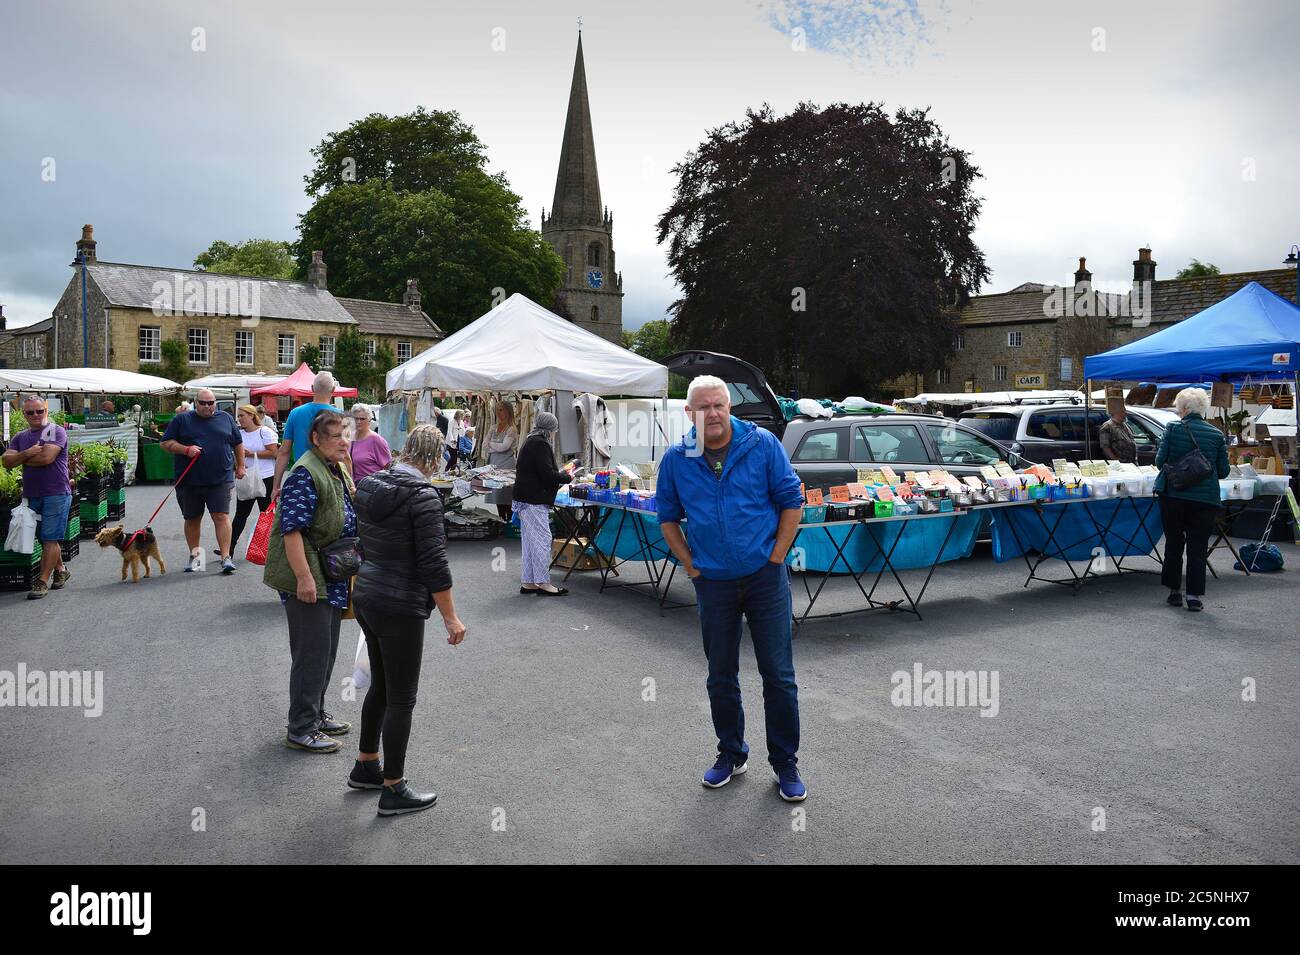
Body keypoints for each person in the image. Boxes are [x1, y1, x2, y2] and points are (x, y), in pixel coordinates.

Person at [657, 375, 807, 802]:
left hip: (765, 579)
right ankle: (731, 754)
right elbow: (667, 517)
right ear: (690, 413)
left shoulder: (761, 445)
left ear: (730, 406)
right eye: (704, 407)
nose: (714, 413)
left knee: (778, 675)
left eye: (720, 404)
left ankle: (785, 763)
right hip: (714, 584)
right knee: (720, 675)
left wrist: (776, 557)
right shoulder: (678, 458)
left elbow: (791, 501)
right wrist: (691, 566)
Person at [351, 425, 467, 816]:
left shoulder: (369, 485)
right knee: (402, 696)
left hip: (368, 593)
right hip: (398, 603)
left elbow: (362, 539)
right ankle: (394, 788)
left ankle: (367, 764)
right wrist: (450, 617)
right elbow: (434, 562)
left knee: (382, 685)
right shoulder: (423, 496)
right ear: (435, 458)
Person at [262, 408, 356, 753]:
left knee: (326, 651)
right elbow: (292, 531)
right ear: (316, 439)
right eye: (336, 436)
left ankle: (314, 714)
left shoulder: (336, 467)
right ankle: (301, 727)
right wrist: (304, 578)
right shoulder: (303, 473)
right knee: (311, 654)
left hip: (330, 573)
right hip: (310, 575)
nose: (344, 442)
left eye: (347, 435)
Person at [1155, 387, 1230, 612]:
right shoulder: (1217, 435)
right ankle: (1194, 596)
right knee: (1198, 547)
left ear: (1185, 408)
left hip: (1174, 495)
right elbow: (1224, 471)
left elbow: (1160, 462)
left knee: (1174, 543)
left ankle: (1174, 591)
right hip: (1205, 499)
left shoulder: (1173, 428)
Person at [159, 388, 244, 575]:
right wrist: (185, 449)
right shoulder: (182, 420)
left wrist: (241, 466)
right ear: (195, 403)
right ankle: (196, 557)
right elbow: (165, 443)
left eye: (211, 402)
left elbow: (237, 442)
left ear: (215, 402)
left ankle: (226, 557)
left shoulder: (226, 418)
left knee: (221, 516)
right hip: (189, 480)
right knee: (192, 518)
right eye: (203, 403)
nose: (207, 406)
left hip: (220, 478)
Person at [1, 395, 72, 600]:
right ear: (24, 414)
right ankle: (60, 570)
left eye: (39, 411)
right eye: (30, 412)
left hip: (56, 492)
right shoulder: (21, 437)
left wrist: (20, 458)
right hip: (32, 494)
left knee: (50, 538)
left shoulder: (55, 431)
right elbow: (6, 462)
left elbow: (46, 458)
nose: (35, 415)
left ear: (46, 410)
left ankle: (41, 581)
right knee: (44, 538)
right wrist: (29, 453)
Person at [511, 412, 573, 595]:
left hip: (525, 499)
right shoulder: (541, 444)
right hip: (533, 500)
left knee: (531, 542)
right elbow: (547, 475)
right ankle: (542, 582)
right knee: (542, 540)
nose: (554, 433)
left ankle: (529, 581)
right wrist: (567, 477)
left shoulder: (531, 441)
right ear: (550, 429)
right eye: (554, 429)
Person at [271, 371, 340, 499]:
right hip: (329, 478)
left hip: (301, 475)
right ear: (333, 389)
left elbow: (284, 452)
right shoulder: (339, 415)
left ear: (312, 388)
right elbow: (345, 455)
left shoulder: (295, 413)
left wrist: (276, 487)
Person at [228, 405, 278, 555]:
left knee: (266, 514)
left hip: (266, 477)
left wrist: (251, 454)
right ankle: (229, 548)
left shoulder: (265, 432)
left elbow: (274, 452)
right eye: (238, 416)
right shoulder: (238, 434)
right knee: (241, 514)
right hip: (247, 477)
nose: (239, 419)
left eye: (242, 415)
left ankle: (265, 548)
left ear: (251, 416)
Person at [487, 402, 518, 520]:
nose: (499, 413)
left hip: (507, 464)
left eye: (502, 410)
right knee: (497, 494)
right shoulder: (493, 427)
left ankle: (509, 520)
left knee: (506, 494)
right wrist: (494, 446)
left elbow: (504, 446)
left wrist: (491, 444)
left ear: (508, 412)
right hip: (494, 464)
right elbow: (484, 445)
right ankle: (501, 519)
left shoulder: (512, 429)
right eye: (498, 410)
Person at [349, 406, 392, 482]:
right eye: (356, 418)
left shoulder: (376, 440)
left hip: (371, 487)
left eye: (362, 419)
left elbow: (388, 466)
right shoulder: (350, 437)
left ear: (369, 420)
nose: (358, 421)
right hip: (353, 486)